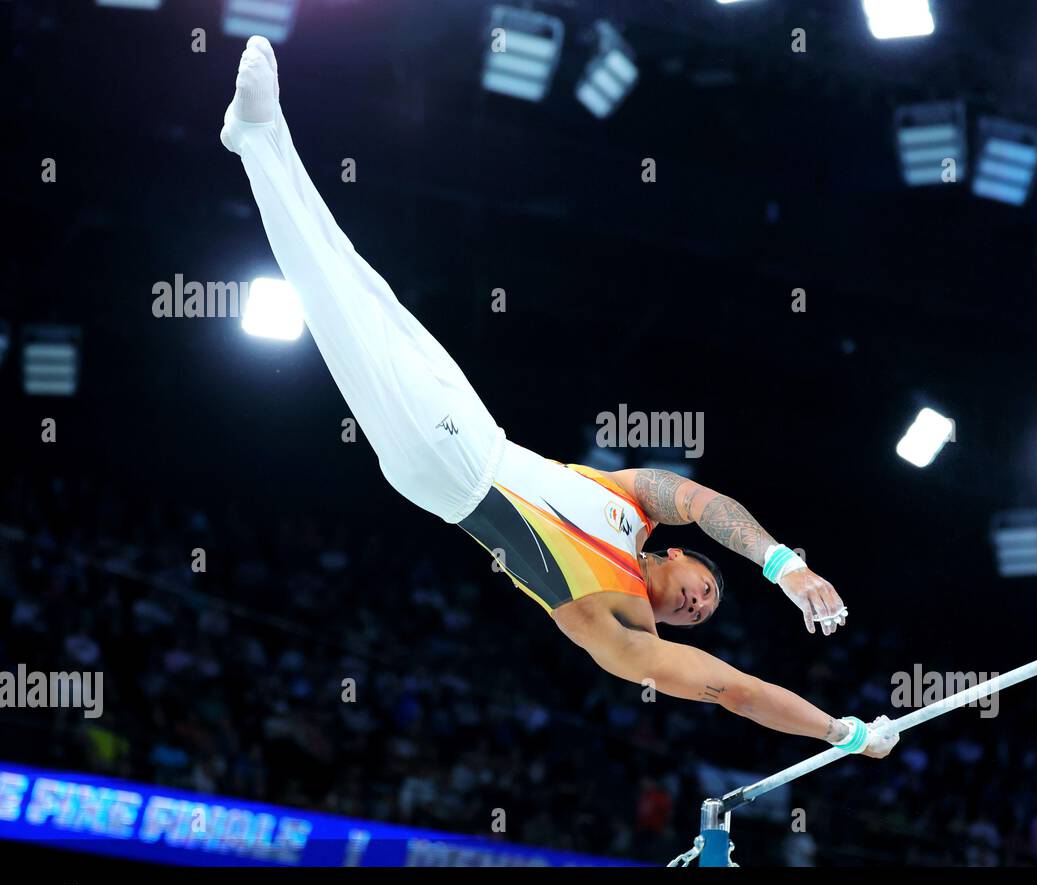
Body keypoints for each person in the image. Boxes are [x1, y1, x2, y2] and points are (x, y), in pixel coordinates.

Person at [219, 37, 897, 759]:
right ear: (674, 555)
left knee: (334, 302)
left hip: (453, 472)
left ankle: (258, 137)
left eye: (699, 615)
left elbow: (735, 690)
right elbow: (706, 506)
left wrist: (840, 732)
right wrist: (783, 566)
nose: (699, 604)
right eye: (705, 587)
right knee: (360, 285)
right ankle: (260, 134)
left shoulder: (629, 630)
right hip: (480, 431)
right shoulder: (630, 501)